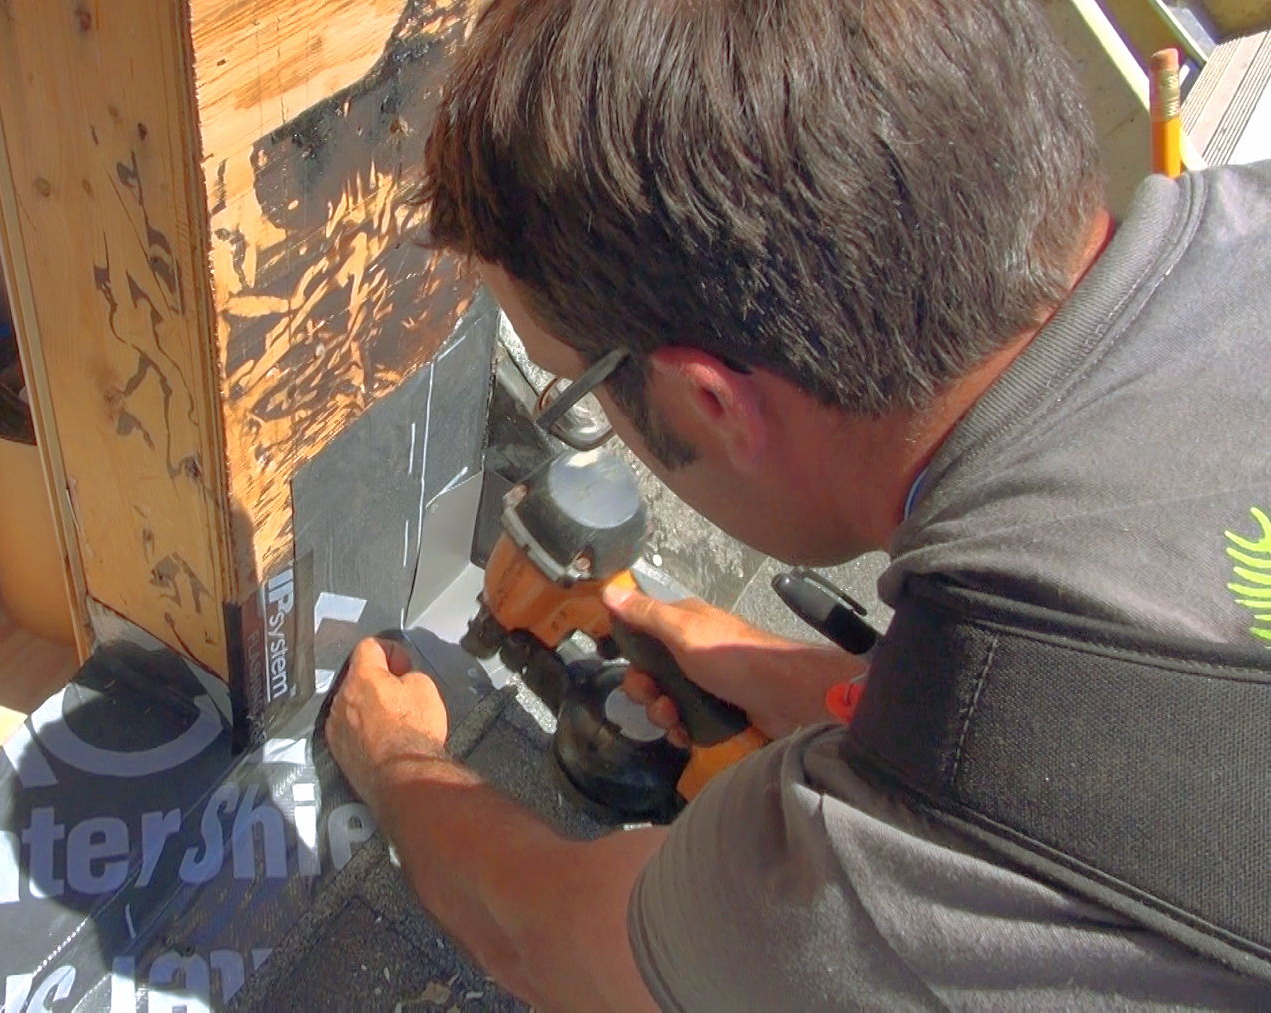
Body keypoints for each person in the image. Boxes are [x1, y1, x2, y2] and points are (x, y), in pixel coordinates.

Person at [322, 0, 1271, 1006]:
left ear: (709, 401)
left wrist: (395, 762)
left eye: (576, 380)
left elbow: (548, 933)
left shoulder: (900, 868)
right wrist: (844, 684)